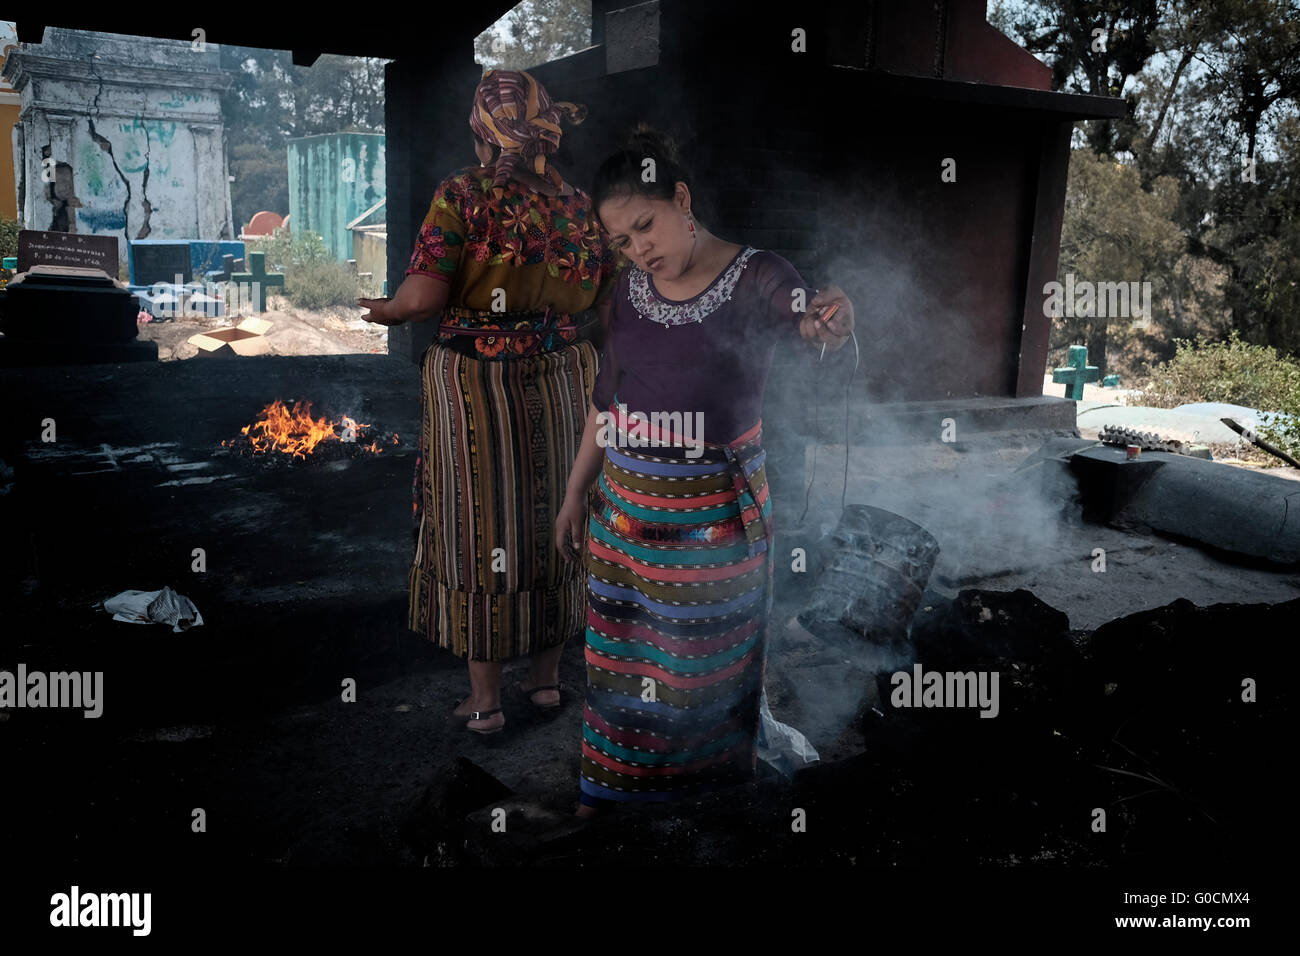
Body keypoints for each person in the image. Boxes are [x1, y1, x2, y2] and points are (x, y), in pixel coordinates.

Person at [555, 126, 855, 814]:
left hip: (709, 523)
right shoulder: (630, 293)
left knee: (700, 668)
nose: (641, 250)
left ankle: (704, 804)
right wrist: (577, 494)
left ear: (680, 198)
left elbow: (805, 316)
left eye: (646, 225)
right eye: (624, 242)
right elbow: (607, 400)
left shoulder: (759, 275)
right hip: (623, 520)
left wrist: (828, 318)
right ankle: (616, 794)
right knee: (622, 669)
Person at [361, 69, 621, 734]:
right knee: (560, 523)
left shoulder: (465, 194)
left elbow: (422, 298)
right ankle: (543, 685)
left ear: (484, 129)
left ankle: (485, 702)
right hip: (568, 375)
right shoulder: (580, 203)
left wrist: (385, 311)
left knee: (483, 530)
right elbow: (610, 302)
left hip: (478, 383)